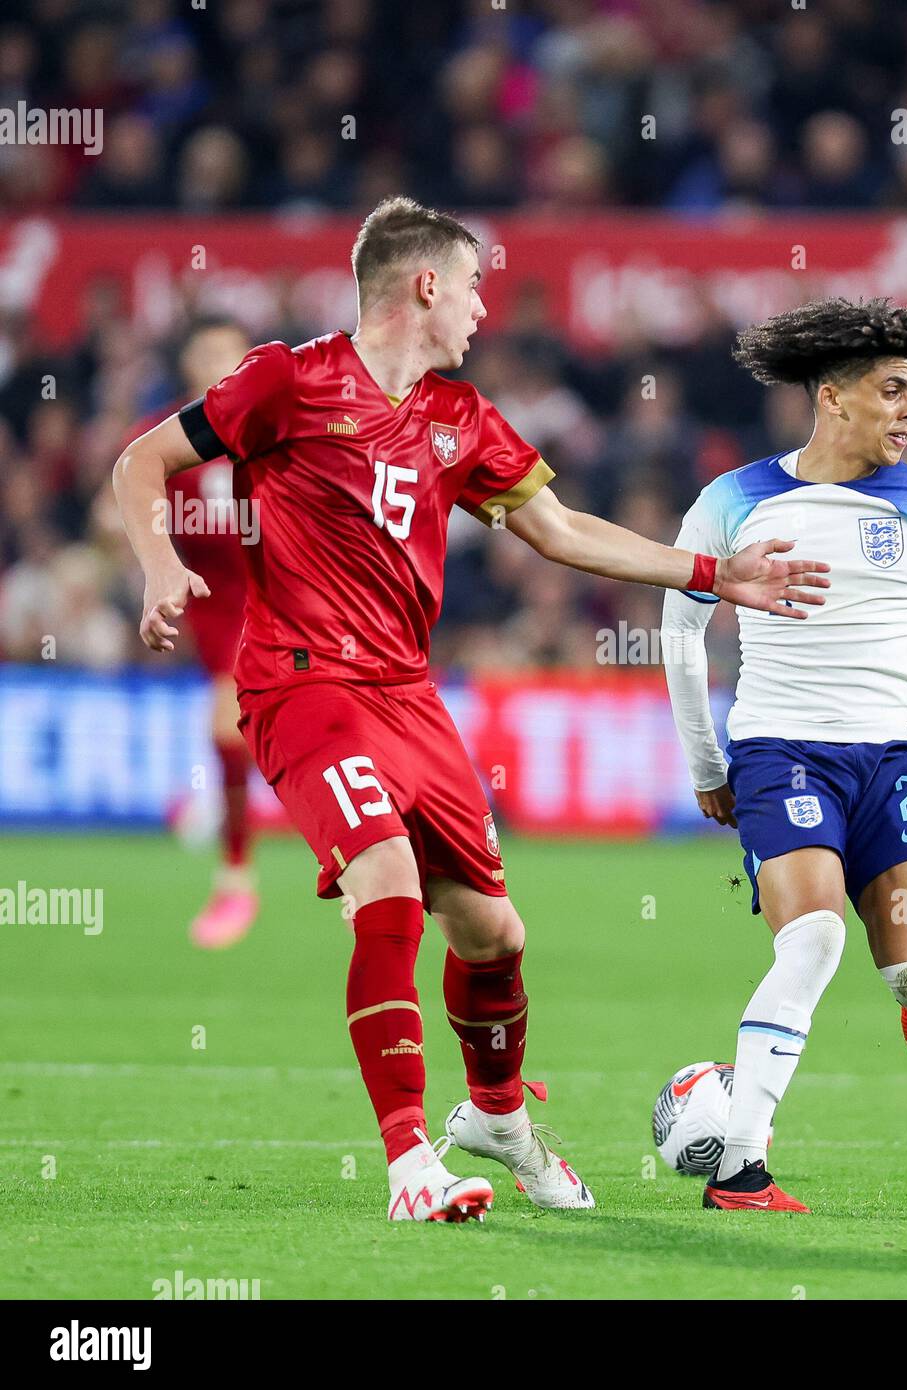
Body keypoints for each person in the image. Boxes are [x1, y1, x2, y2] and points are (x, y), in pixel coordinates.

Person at [112, 196, 829, 1224]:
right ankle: (410, 1163)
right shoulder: (287, 380)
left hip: (409, 695)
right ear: (426, 285)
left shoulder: (459, 419)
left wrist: (715, 573)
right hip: (303, 681)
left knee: (493, 934)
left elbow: (562, 528)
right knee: (387, 884)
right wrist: (158, 565)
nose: (488, 308)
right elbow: (143, 460)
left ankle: (496, 1116)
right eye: (478, 284)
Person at [662, 297, 907, 1213]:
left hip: (894, 764)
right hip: (781, 754)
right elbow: (680, 637)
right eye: (893, 391)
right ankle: (740, 1170)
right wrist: (706, 763)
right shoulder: (733, 498)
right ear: (832, 398)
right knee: (815, 937)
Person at [124, 317, 260, 948]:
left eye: (230, 353)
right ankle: (229, 850)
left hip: (273, 593)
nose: (219, 364)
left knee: (232, 719)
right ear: (186, 367)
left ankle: (233, 869)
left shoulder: (275, 426)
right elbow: (122, 495)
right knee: (232, 721)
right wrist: (154, 561)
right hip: (204, 598)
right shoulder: (167, 440)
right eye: (206, 354)